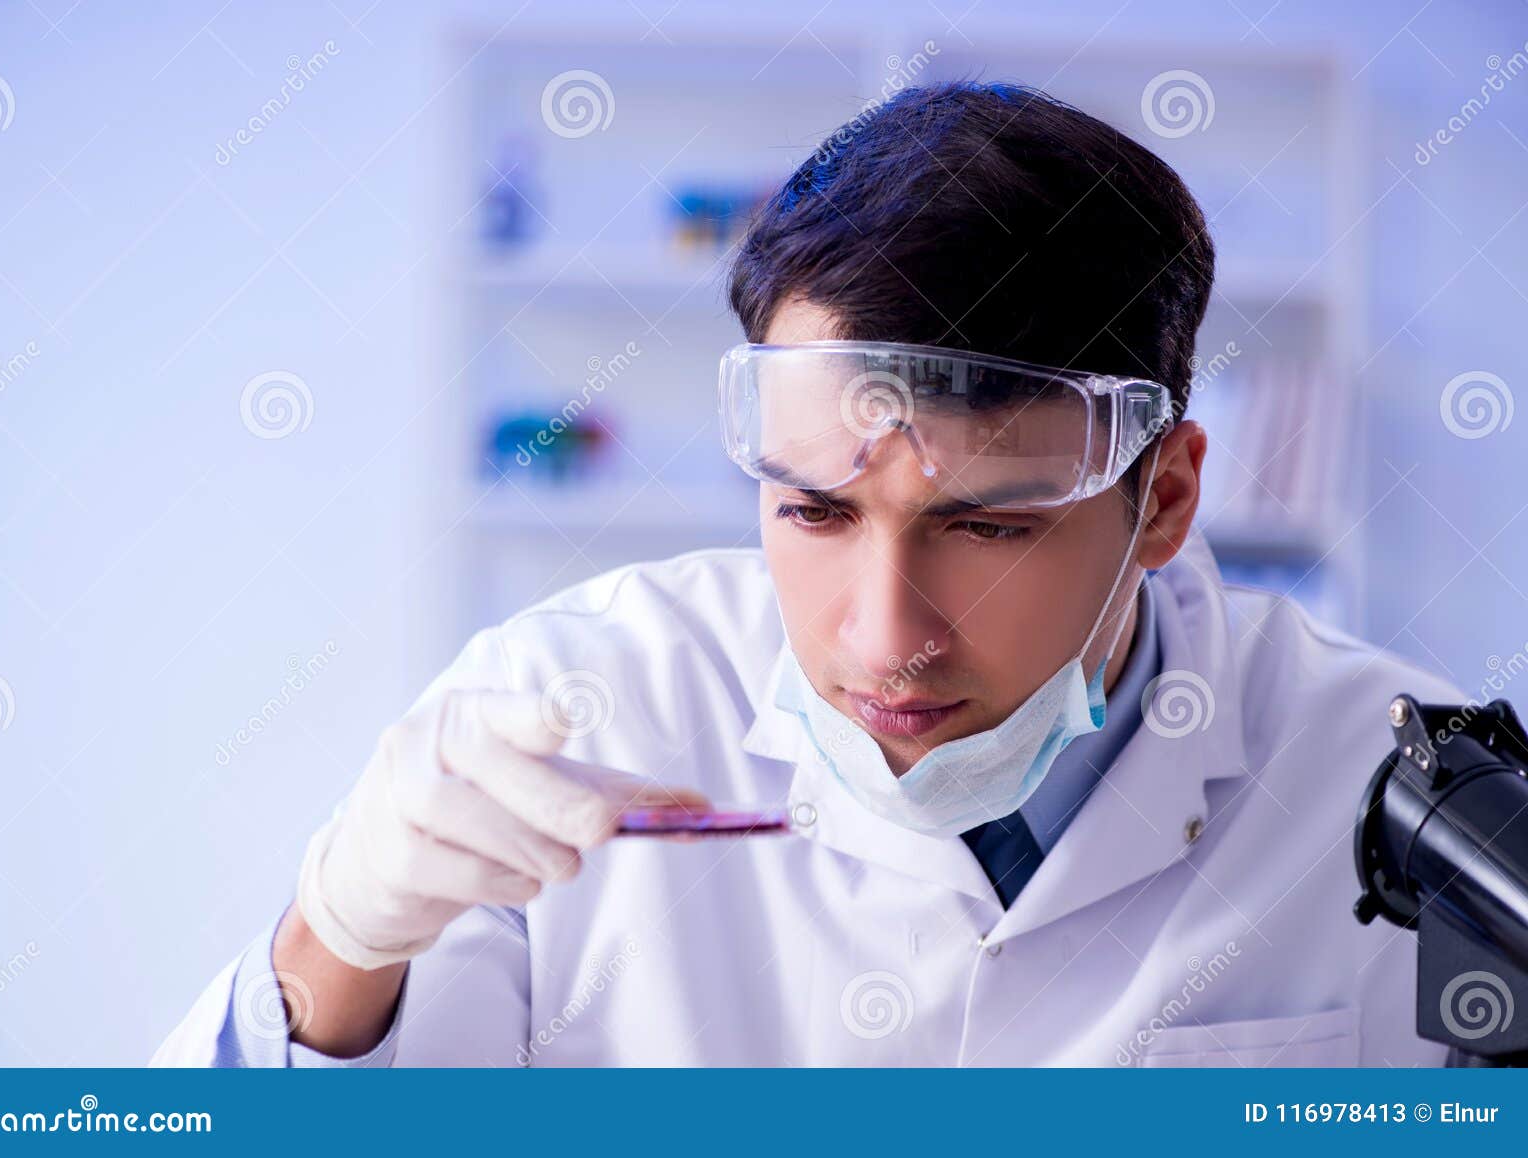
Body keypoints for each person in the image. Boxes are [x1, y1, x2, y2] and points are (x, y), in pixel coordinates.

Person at [155, 82, 1457, 1067]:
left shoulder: (1403, 782)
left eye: (991, 527)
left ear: (1163, 496)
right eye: (816, 509)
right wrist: (337, 942)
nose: (885, 636)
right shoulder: (570, 703)